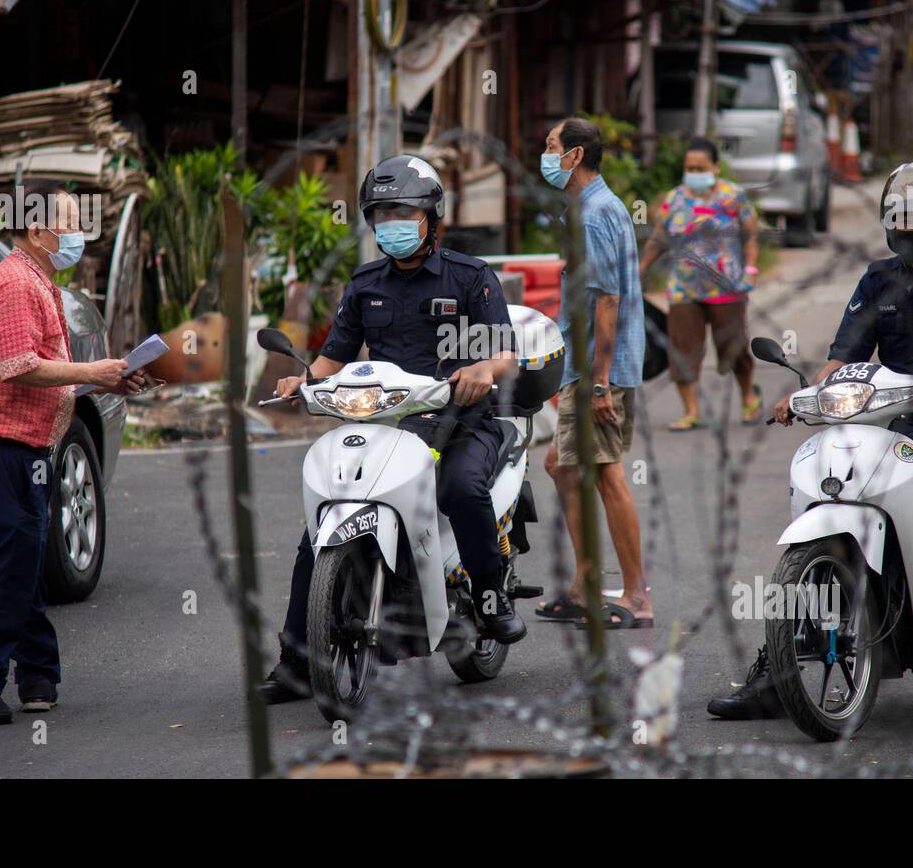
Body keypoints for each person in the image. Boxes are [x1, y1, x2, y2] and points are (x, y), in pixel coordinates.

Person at [707, 159, 913, 741]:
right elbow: (845, 356)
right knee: (823, 510)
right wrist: (812, 393)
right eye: (907, 217)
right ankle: (779, 666)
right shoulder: (878, 281)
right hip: (891, 424)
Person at [261, 154, 524, 704]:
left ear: (431, 216)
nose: (391, 224)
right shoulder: (364, 283)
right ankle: (296, 662)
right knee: (323, 523)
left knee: (460, 490)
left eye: (403, 211)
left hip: (459, 422)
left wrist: (481, 370)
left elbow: (505, 355)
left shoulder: (472, 278)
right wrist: (302, 379)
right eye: (381, 214)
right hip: (385, 423)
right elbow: (334, 356)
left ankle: (492, 600)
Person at [0, 182, 148, 724]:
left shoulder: (41, 281)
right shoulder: (17, 283)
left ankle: (37, 675)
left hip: (28, 447)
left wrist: (109, 381)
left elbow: (47, 375)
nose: (79, 233)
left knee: (28, 560)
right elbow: (20, 366)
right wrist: (94, 371)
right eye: (69, 221)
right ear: (38, 231)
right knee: (12, 560)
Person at [533, 117, 652, 630]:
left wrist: (599, 381)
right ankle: (585, 584)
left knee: (605, 474)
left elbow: (608, 300)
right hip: (586, 366)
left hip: (597, 370)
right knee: (560, 466)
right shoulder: (590, 208)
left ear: (576, 155)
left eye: (551, 145)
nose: (546, 153)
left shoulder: (595, 213)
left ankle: (636, 597)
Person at [639, 136, 763, 429]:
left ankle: (748, 397)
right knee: (682, 350)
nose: (694, 173)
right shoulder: (675, 199)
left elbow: (751, 236)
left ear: (716, 168)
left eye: (700, 167)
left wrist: (751, 269)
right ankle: (691, 410)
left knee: (734, 348)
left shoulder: (734, 197)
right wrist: (641, 269)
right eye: (689, 168)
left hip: (727, 286)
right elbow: (658, 239)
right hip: (683, 288)